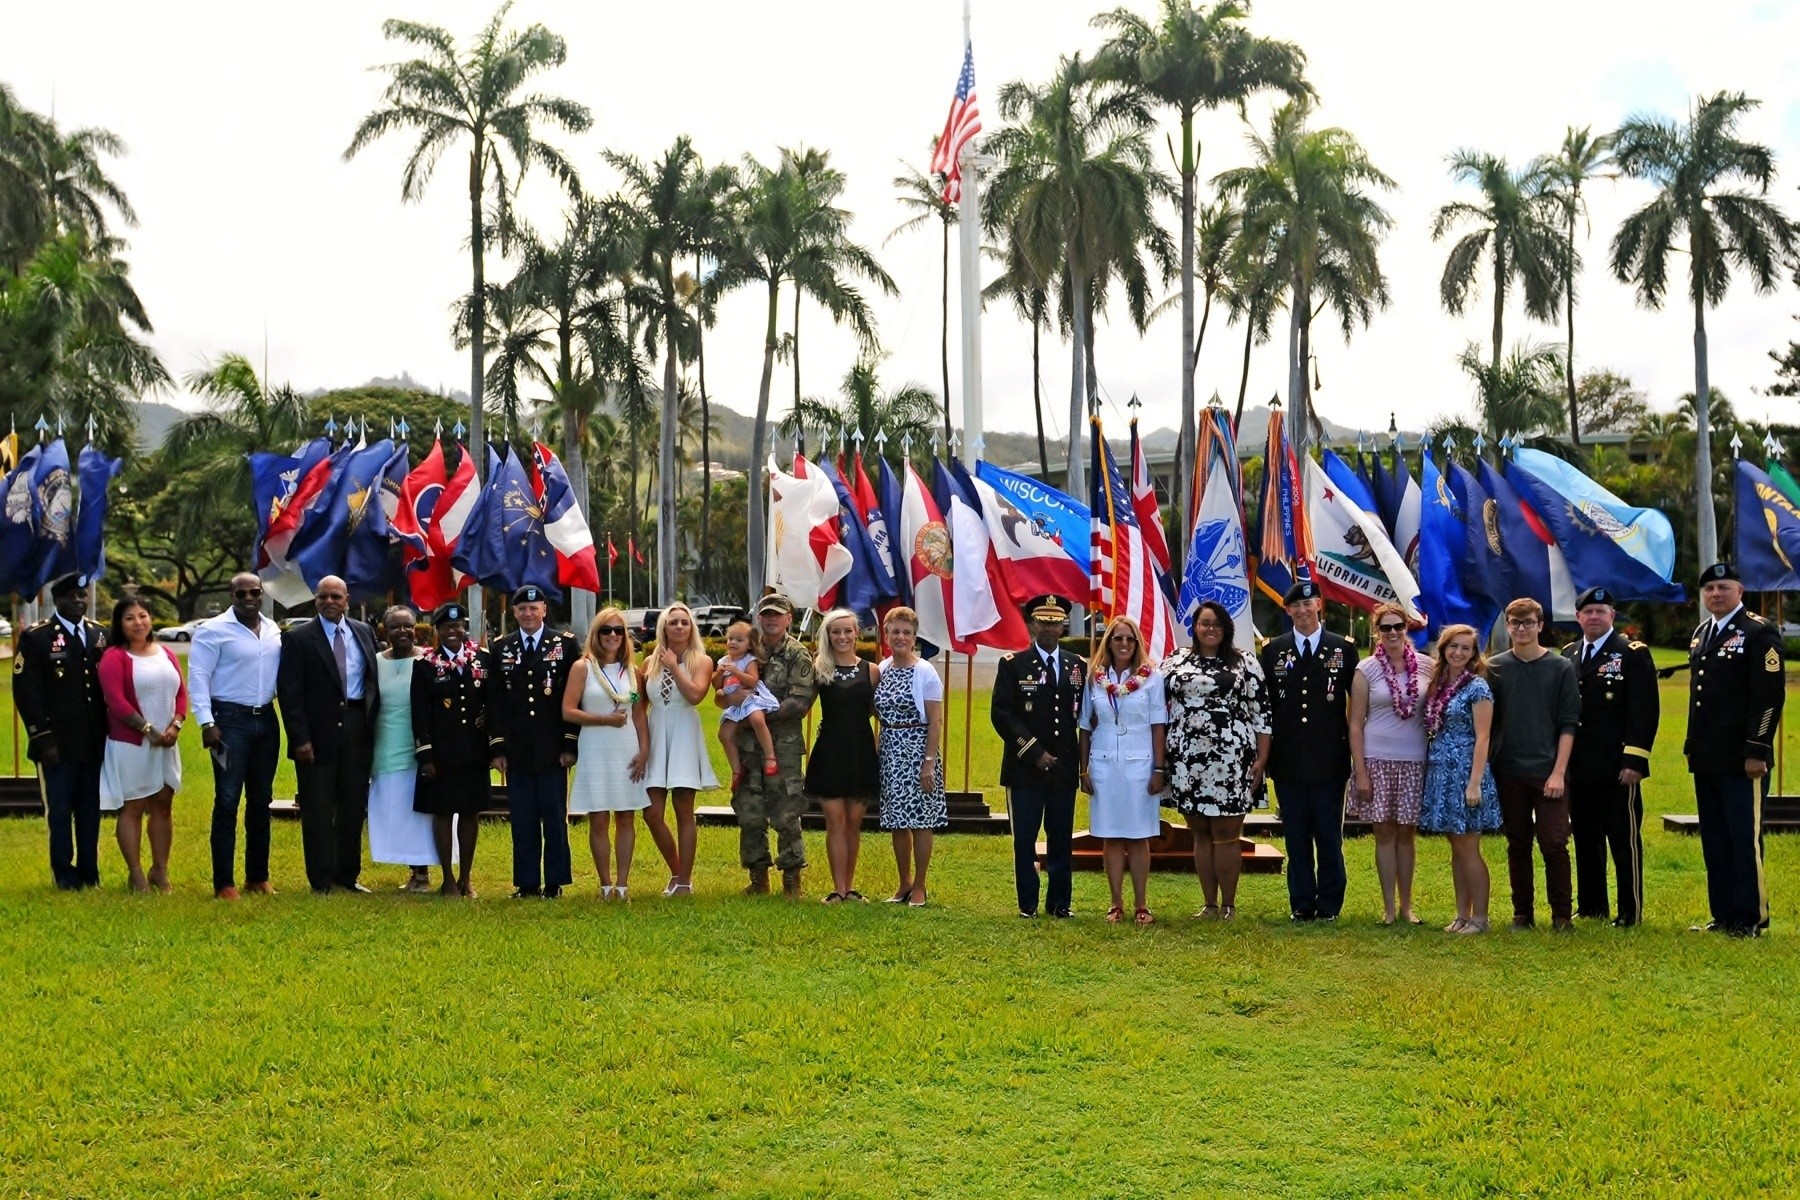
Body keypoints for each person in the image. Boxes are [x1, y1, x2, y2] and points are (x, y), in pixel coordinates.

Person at [1684, 562, 1784, 937]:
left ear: (1739, 591)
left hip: (1744, 758)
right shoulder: (1702, 633)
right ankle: (1723, 914)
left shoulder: (1759, 632)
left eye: (1723, 587)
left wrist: (1758, 748)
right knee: (1715, 839)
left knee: (1744, 839)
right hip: (1707, 756)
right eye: (1709, 589)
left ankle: (1750, 917)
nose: (1715, 594)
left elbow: (1769, 697)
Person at [1161, 601, 1270, 920]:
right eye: (1205, 623)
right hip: (1187, 760)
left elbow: (1262, 714)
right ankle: (1209, 904)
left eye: (1217, 624)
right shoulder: (1175, 660)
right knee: (1200, 832)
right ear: (1194, 627)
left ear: (1227, 629)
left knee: (1227, 833)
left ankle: (1229, 905)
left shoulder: (1244, 662)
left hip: (1231, 759)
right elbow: (1150, 701)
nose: (1211, 629)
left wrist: (1262, 759)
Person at [1259, 580, 1359, 923]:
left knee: (1329, 836)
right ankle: (1301, 902)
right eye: (1295, 607)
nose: (1302, 611)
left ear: (1319, 606)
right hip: (1288, 760)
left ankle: (1329, 903)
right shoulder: (1273, 651)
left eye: (1308, 604)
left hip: (1329, 760)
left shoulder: (1342, 649)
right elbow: (1267, 708)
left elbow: (1357, 705)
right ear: (1288, 611)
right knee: (1296, 836)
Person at [1562, 586, 1659, 927]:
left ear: (1612, 616)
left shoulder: (1631, 653)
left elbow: (1644, 710)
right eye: (1587, 612)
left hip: (1617, 765)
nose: (1594, 617)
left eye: (1600, 612)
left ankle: (1630, 912)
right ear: (1578, 617)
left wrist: (1635, 760)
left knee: (1623, 841)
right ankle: (1592, 906)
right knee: (1586, 839)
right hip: (1579, 765)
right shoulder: (1570, 653)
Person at [277, 575, 380, 894]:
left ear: (347, 600)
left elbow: (373, 682)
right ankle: (321, 879)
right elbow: (290, 694)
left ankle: (347, 876)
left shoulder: (363, 632)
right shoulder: (298, 638)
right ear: (315, 600)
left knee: (353, 806)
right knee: (318, 808)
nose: (329, 602)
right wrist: (300, 739)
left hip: (357, 727)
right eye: (323, 597)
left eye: (336, 596)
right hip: (316, 733)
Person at [188, 571, 284, 900]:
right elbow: (199, 677)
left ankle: (257, 877)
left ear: (262, 594)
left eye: (254, 592)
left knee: (261, 800)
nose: (248, 599)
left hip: (266, 722)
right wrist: (206, 723)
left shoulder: (272, 629)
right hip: (228, 724)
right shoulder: (212, 631)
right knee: (227, 800)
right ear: (231, 597)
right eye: (240, 594)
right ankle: (224, 883)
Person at [1488, 597, 1581, 931]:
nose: (1522, 629)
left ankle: (1561, 915)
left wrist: (1558, 772)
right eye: (1515, 623)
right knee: (1518, 842)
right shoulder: (1495, 668)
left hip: (1548, 770)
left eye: (1528, 622)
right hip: (1508, 769)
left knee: (1554, 842)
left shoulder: (1560, 667)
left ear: (1541, 625)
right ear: (1508, 626)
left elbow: (1569, 724)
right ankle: (1522, 913)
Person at [13, 572, 108, 890]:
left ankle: (89, 872)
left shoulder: (98, 634)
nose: (79, 601)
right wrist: (41, 737)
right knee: (60, 810)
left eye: (83, 596)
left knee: (90, 809)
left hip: (92, 741)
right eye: (72, 596)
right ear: (58, 600)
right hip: (56, 744)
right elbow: (26, 692)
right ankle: (64, 874)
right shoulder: (37, 637)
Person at [990, 595, 1083, 919]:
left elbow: (1081, 714)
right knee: (1025, 840)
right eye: (1043, 622)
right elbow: (1002, 714)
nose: (1049, 628)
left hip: (1063, 768)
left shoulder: (1076, 665)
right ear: (1032, 624)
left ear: (1063, 626)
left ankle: (1060, 903)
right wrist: (1033, 751)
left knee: (1061, 839)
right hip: (1025, 768)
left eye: (1055, 623)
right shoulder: (1013, 664)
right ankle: (1027, 903)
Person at [488, 584, 579, 899]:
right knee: (523, 820)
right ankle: (526, 883)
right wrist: (497, 747)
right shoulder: (502, 647)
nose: (528, 613)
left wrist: (569, 744)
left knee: (554, 818)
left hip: (553, 748)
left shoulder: (564, 645)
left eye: (534, 608)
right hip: (516, 749)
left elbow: (573, 697)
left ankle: (554, 883)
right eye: (522, 609)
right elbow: (494, 701)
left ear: (544, 610)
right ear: (514, 613)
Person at [1078, 615, 1167, 926]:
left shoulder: (1152, 677)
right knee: (1111, 835)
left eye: (1130, 638)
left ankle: (1142, 904)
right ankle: (1116, 903)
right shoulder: (1095, 677)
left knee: (1139, 835)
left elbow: (1158, 725)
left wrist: (1159, 769)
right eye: (1118, 638)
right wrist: (1083, 770)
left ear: (1138, 643)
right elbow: (1085, 725)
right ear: (1109, 642)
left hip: (1140, 762)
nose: (1124, 644)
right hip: (1104, 762)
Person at [1348, 601, 1431, 925]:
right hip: (1377, 759)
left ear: (1406, 628)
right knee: (1383, 832)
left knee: (1407, 833)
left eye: (1399, 626)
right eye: (1386, 627)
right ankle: (1389, 908)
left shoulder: (1426, 666)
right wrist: (1361, 771)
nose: (1393, 632)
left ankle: (1407, 906)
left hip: (1414, 760)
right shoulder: (1366, 669)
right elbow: (1355, 723)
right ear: (1377, 631)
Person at [729, 593, 817, 897]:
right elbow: (726, 687)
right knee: (749, 809)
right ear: (759, 618)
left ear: (789, 619)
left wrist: (756, 717)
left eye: (777, 614)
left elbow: (800, 703)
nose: (771, 619)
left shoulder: (797, 654)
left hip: (783, 746)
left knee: (786, 811)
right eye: (766, 614)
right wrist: (732, 704)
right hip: (747, 746)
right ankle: (758, 878)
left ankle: (792, 879)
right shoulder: (748, 650)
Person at [96, 597, 186, 893]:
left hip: (166, 743)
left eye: (143, 615)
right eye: (130, 618)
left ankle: (160, 870)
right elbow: (115, 701)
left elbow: (181, 694)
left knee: (163, 805)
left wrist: (175, 725)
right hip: (132, 743)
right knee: (133, 806)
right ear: (119, 624)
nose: (138, 623)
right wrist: (147, 729)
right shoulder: (114, 657)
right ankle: (135, 874)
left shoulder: (166, 653)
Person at [1417, 624, 1501, 934]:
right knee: (1456, 847)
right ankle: (1462, 914)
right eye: (1454, 646)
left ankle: (1481, 917)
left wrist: (1474, 782)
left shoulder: (1477, 687)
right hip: (1442, 771)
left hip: (1466, 772)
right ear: (1443, 649)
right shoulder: (1438, 684)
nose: (1459, 652)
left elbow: (1483, 737)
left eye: (1466, 648)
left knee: (1468, 848)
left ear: (1474, 654)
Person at [564, 608, 650, 899]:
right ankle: (604, 884)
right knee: (599, 818)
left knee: (626, 817)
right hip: (596, 747)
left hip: (627, 748)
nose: (612, 635)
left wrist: (644, 750)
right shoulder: (583, 668)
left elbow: (638, 714)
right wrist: (604, 720)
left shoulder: (633, 672)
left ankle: (622, 885)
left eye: (618, 630)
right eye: (606, 630)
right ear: (596, 634)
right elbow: (568, 710)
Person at [412, 602, 493, 897]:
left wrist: (489, 718)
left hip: (474, 751)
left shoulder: (482, 660)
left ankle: (465, 878)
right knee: (443, 813)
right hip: (441, 754)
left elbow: (493, 699)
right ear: (438, 630)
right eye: (447, 627)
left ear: (464, 628)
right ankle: (447, 878)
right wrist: (425, 754)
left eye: (458, 626)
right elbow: (419, 714)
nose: (453, 632)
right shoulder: (424, 665)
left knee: (470, 813)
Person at [640, 601, 716, 896]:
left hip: (684, 734)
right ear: (664, 627)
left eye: (685, 622)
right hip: (656, 736)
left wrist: (674, 666)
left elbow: (696, 695)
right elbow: (640, 706)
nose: (680, 627)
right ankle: (676, 870)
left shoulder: (702, 661)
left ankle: (684, 881)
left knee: (684, 809)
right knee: (651, 812)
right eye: (673, 622)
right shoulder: (650, 662)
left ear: (691, 627)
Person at [805, 608, 879, 903]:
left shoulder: (872, 671)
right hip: (830, 752)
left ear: (857, 633)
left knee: (853, 823)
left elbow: (879, 711)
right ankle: (838, 889)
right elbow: (802, 704)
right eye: (836, 631)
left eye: (848, 631)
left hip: (861, 752)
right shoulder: (819, 669)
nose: (842, 636)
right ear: (828, 635)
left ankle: (850, 887)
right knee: (835, 822)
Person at [874, 606, 945, 907]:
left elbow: (936, 721)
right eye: (895, 632)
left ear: (915, 638)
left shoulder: (925, 672)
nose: (900, 637)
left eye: (906, 632)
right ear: (886, 635)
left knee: (920, 819)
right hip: (890, 751)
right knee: (897, 820)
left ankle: (920, 884)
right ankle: (903, 882)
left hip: (918, 752)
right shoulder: (882, 669)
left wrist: (928, 763)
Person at [368, 606, 436, 891]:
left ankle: (422, 873)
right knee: (396, 809)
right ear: (385, 631)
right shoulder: (374, 663)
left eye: (408, 625)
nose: (403, 631)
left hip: (420, 746)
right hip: (386, 744)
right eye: (395, 627)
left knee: (421, 811)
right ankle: (412, 868)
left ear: (416, 628)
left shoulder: (430, 660)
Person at [712, 618, 779, 790]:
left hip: (750, 699)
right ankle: (736, 770)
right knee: (724, 734)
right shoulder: (723, 661)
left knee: (757, 719)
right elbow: (716, 685)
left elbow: (752, 681)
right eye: (730, 639)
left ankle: (770, 756)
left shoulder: (749, 660)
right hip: (734, 705)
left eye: (739, 640)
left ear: (749, 645)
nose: (733, 642)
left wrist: (736, 671)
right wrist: (719, 674)